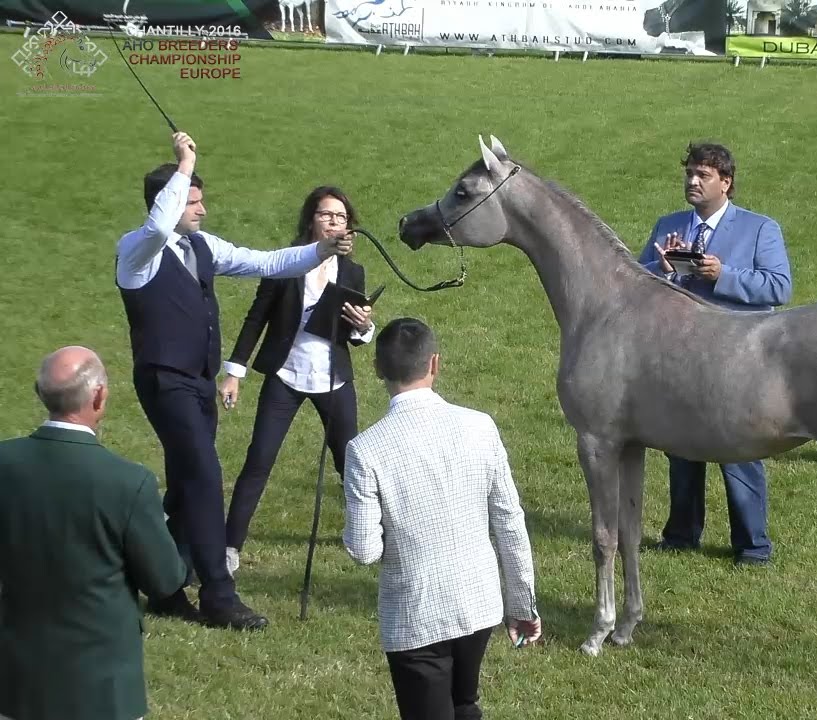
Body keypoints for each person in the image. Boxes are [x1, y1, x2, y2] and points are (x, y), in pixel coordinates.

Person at [115, 131, 352, 631]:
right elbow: (159, 228)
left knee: (184, 484)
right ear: (168, 200)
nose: (201, 210)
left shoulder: (202, 246)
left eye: (200, 199)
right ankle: (219, 596)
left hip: (198, 381)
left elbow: (266, 262)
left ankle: (162, 585)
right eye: (192, 201)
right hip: (165, 380)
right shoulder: (137, 250)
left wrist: (320, 249)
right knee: (203, 475)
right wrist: (184, 164)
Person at [343, 318, 541, 720]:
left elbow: (364, 550)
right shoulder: (480, 426)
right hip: (478, 605)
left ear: (378, 369)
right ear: (435, 364)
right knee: (465, 703)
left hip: (416, 617)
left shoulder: (365, 450)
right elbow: (509, 521)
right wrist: (523, 603)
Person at [0, 346, 187, 720]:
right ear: (99, 396)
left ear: (41, 394)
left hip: (16, 682)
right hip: (102, 690)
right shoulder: (129, 483)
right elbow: (165, 580)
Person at [636, 142, 792, 566]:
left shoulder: (760, 229)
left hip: (739, 357)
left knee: (738, 448)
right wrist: (661, 269)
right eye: (689, 173)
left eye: (703, 175)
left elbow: (779, 287)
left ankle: (752, 546)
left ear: (726, 182)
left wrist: (724, 275)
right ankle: (681, 534)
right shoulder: (668, 225)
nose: (692, 181)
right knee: (681, 444)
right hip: (679, 354)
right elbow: (635, 281)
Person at [219, 186, 376, 576]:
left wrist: (364, 327)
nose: (335, 223)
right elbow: (256, 317)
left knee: (350, 462)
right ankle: (229, 546)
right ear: (311, 220)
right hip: (285, 377)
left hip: (332, 379)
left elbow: (355, 334)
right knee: (259, 460)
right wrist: (234, 371)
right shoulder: (286, 263)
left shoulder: (352, 271)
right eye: (327, 215)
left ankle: (372, 534)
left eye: (341, 218)